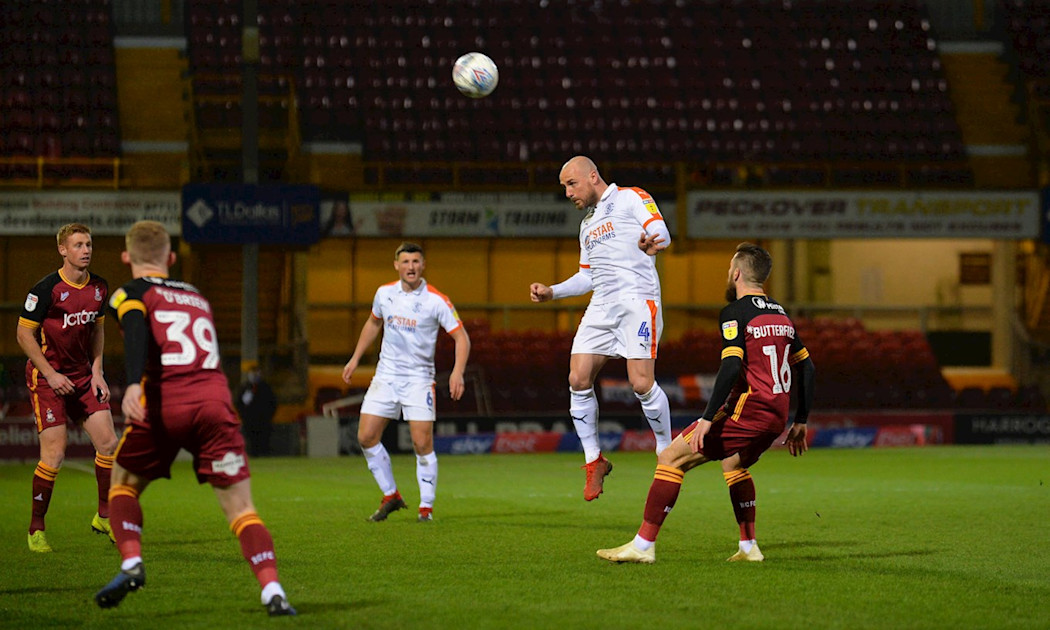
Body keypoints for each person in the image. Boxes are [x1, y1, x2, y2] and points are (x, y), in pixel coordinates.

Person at [94, 221, 295, 616]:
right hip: (216, 403)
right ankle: (273, 590)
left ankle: (132, 562)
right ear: (171, 258)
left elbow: (135, 328)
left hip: (166, 402)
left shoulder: (130, 293)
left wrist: (133, 383)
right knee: (242, 510)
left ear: (126, 257)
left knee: (122, 485)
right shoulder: (197, 297)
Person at [596, 243, 815, 564]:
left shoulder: (735, 313)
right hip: (776, 415)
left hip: (749, 410)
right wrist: (801, 419)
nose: (729, 274)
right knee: (733, 464)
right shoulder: (780, 314)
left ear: (737, 273)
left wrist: (708, 418)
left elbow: (730, 366)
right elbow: (806, 367)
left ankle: (642, 546)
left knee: (671, 458)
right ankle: (749, 547)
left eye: (730, 269)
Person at [530, 156, 672, 501]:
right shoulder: (587, 223)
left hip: (638, 301)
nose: (566, 193)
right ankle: (594, 460)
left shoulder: (631, 197)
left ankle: (666, 451)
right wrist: (553, 292)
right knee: (578, 379)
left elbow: (660, 230)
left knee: (641, 383)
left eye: (570, 184)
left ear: (592, 176)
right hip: (602, 305)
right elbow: (587, 276)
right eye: (564, 187)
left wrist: (655, 240)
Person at [342, 241, 470, 523]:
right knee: (365, 437)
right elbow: (373, 323)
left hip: (418, 380)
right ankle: (391, 495)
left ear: (423, 265)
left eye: (416, 262)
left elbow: (462, 337)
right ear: (396, 265)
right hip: (385, 376)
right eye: (406, 262)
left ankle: (426, 507)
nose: (410, 267)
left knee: (422, 443)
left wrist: (457, 372)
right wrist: (355, 358)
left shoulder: (436, 300)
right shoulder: (384, 294)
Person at [17, 222, 118, 552]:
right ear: (63, 250)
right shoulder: (45, 290)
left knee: (109, 444)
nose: (86, 250)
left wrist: (98, 372)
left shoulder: (99, 288)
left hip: (83, 377)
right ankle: (36, 528)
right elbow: (23, 335)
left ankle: (105, 516)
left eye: (88, 244)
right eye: (78, 245)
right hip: (48, 379)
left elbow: (98, 333)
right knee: (55, 454)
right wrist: (50, 374)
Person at [236, 363, 277, 457]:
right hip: (249, 421)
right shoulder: (245, 388)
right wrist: (244, 416)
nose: (254, 375)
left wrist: (268, 416)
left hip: (264, 421)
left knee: (264, 442)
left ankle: (265, 458)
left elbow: (272, 403)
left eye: (256, 373)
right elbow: (239, 404)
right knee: (251, 442)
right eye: (252, 373)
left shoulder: (266, 388)